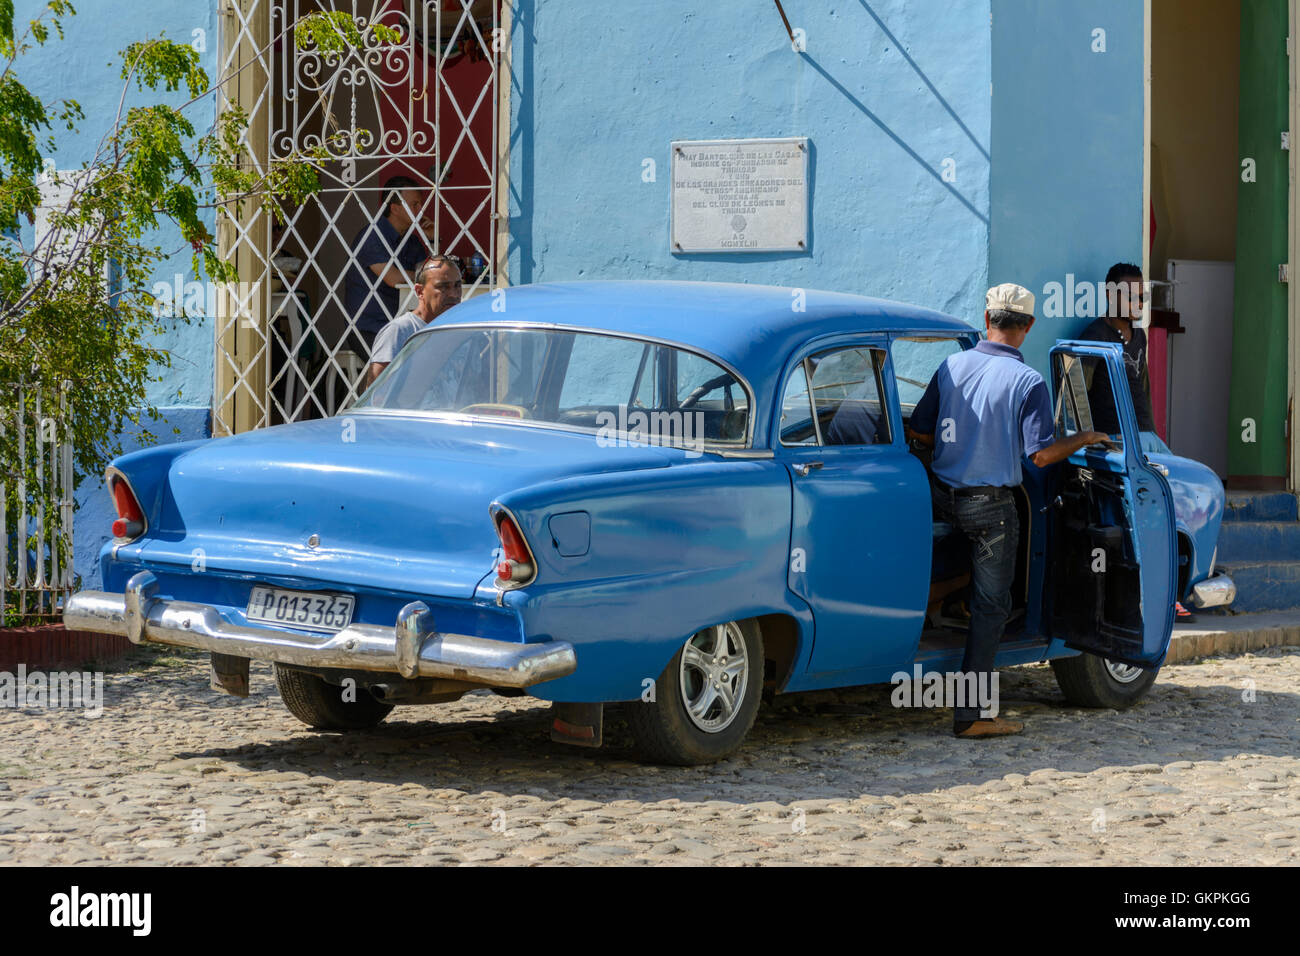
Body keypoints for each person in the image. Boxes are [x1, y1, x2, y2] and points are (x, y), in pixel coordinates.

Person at [908, 283, 1112, 739]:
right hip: (992, 509)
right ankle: (971, 715)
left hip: (943, 495)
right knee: (991, 606)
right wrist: (1085, 438)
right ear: (1029, 326)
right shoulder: (1029, 381)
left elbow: (921, 432)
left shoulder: (951, 365)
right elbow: (1040, 456)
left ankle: (935, 610)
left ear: (987, 319)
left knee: (964, 569)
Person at [1078, 263, 1195, 620]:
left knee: (1174, 510)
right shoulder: (1093, 336)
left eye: (1142, 295)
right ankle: (1145, 597)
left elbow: (1140, 390)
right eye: (1132, 295)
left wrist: (1154, 435)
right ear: (1112, 296)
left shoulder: (1140, 336)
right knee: (1137, 520)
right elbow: (1079, 395)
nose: (1140, 301)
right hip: (1115, 443)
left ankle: (1173, 591)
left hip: (1146, 438)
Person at [343, 175, 433, 354]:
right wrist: (425, 275)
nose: (420, 209)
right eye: (414, 204)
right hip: (370, 328)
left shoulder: (412, 241)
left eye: (420, 204)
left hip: (401, 327)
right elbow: (393, 278)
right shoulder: (372, 236)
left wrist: (431, 240)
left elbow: (429, 271)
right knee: (403, 368)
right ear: (395, 208)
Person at [366, 255, 463, 386]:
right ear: (419, 291)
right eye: (443, 287)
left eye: (457, 286)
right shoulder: (400, 331)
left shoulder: (461, 331)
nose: (454, 294)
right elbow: (375, 393)